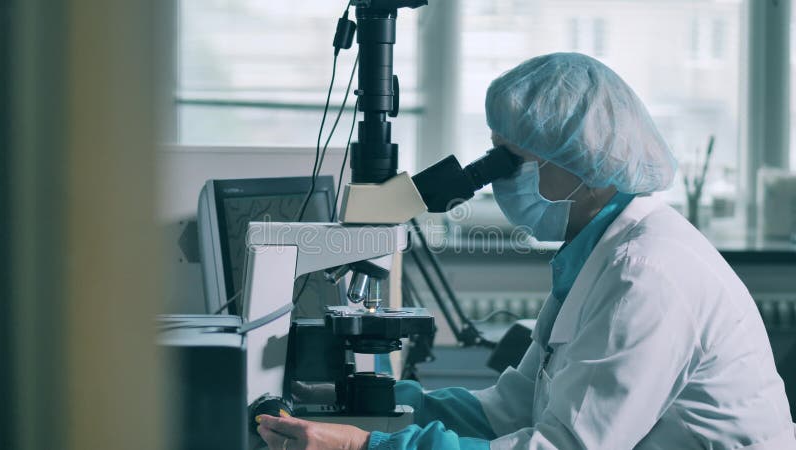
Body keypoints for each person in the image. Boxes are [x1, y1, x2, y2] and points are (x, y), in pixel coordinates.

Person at [257, 52, 796, 449]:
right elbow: (512, 407)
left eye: (511, 161)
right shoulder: (596, 253)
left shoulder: (645, 274)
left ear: (583, 160)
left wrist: (364, 446)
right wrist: (391, 403)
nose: (501, 181)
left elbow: (562, 447)